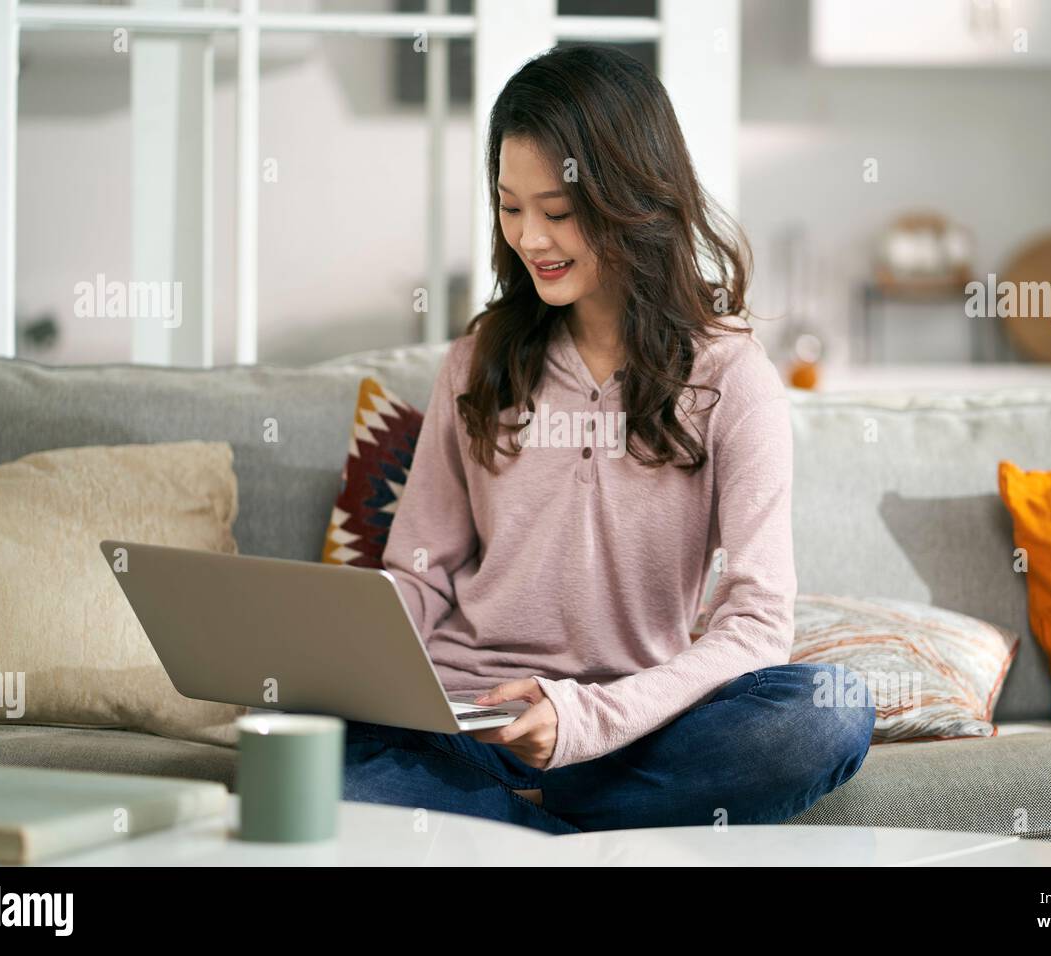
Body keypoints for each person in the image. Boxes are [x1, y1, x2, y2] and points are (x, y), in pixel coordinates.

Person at [343, 44, 875, 835]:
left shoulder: (732, 378)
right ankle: (590, 843)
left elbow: (758, 624)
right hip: (472, 723)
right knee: (303, 750)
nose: (530, 238)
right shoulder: (477, 363)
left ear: (635, 198)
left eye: (557, 211)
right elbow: (423, 575)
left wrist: (585, 720)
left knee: (827, 715)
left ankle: (505, 838)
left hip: (633, 727)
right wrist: (338, 650)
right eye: (509, 205)